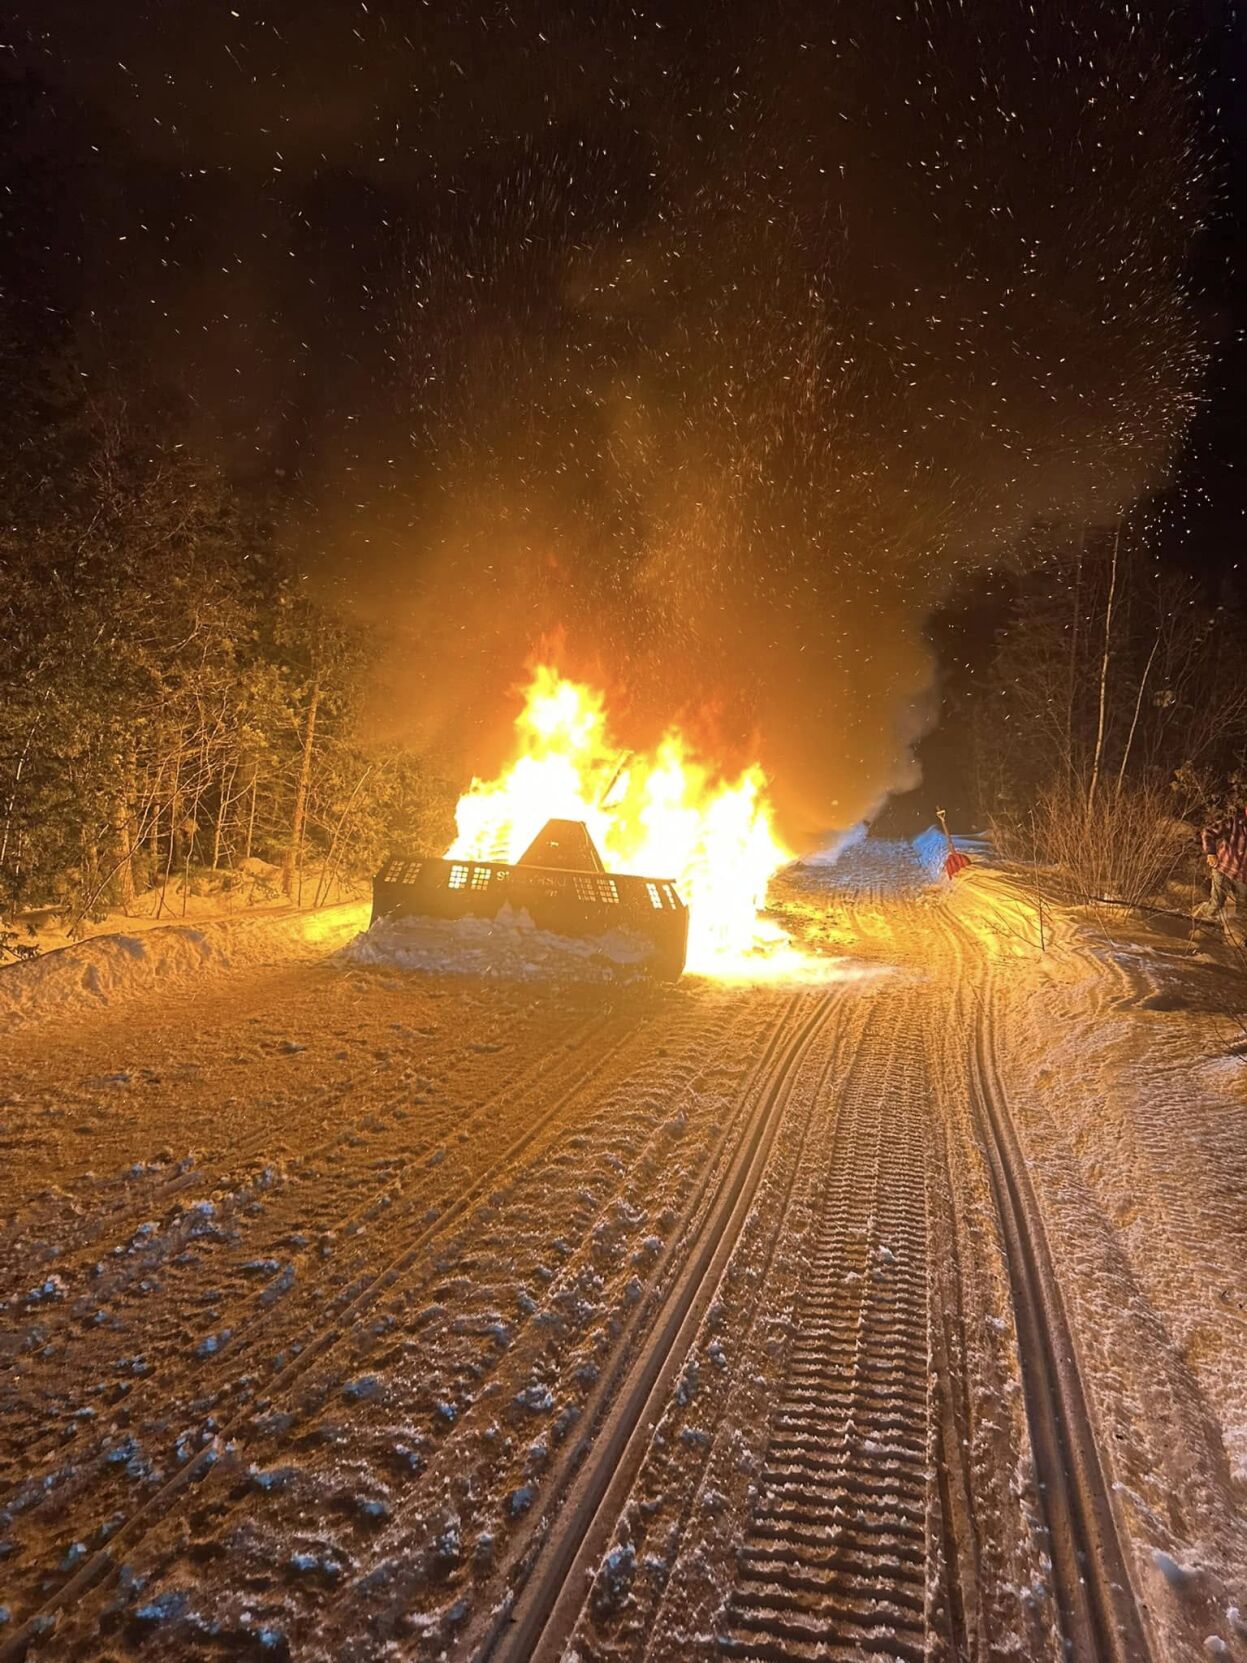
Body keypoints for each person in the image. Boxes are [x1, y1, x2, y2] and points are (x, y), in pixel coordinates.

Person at [1195, 804, 1247, 924]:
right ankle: (1200, 923)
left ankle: (1235, 937)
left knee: (1243, 913)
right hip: (1223, 868)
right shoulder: (1233, 822)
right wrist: (1211, 852)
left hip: (1244, 878)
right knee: (1216, 904)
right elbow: (1208, 832)